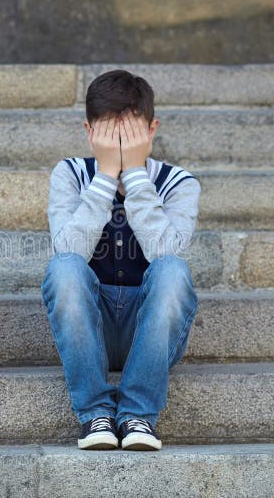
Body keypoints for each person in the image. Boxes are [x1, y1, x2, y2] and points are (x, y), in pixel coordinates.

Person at [41, 69, 201, 451]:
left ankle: (137, 415)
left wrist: (134, 174)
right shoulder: (70, 174)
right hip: (88, 325)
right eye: (108, 134)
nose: (118, 142)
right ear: (88, 131)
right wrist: (106, 176)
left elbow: (165, 254)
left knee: (174, 270)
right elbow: (70, 251)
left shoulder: (180, 183)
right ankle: (95, 412)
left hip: (150, 330)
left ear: (151, 129)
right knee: (63, 267)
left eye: (127, 134)